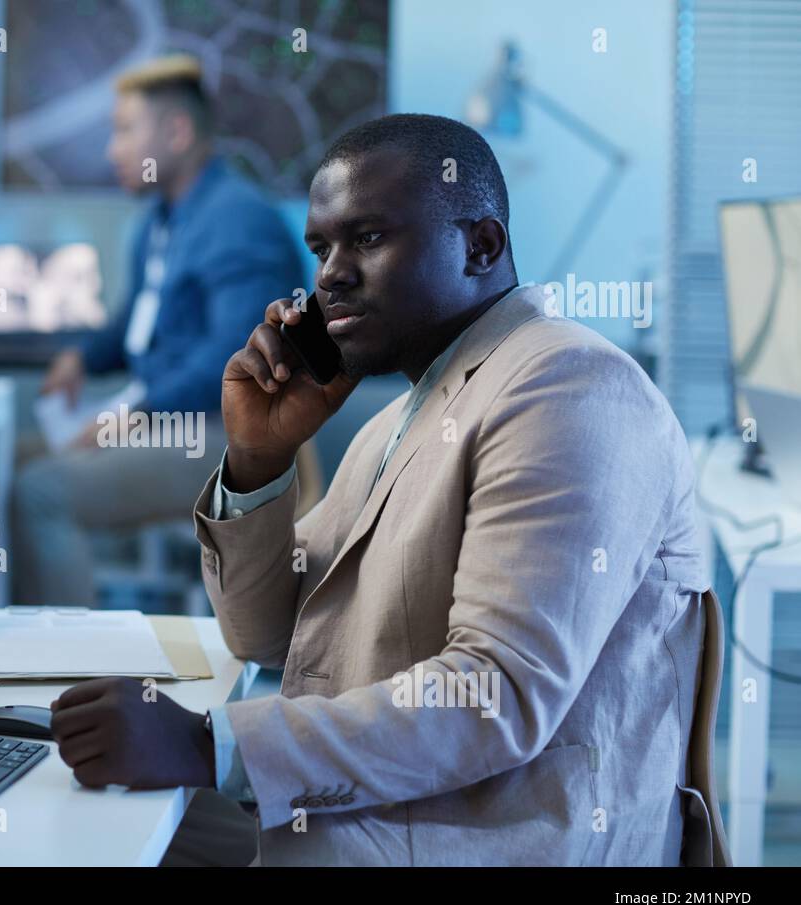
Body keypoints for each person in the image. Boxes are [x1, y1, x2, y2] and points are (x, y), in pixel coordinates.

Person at [49, 113, 714, 866]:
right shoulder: (403, 412)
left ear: (481, 246)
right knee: (78, 826)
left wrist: (212, 744)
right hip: (389, 806)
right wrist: (259, 461)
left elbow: (494, 696)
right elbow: (267, 634)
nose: (330, 273)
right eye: (321, 247)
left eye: (367, 239)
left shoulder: (567, 389)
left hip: (491, 837)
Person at [11, 55, 305, 607]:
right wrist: (82, 357)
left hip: (222, 437)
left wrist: (129, 416)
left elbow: (233, 358)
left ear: (176, 131)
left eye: (124, 131)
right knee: (2, 458)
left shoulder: (239, 220)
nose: (111, 150)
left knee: (40, 491)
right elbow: (138, 321)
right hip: (164, 418)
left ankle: (69, 672)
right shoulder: (162, 217)